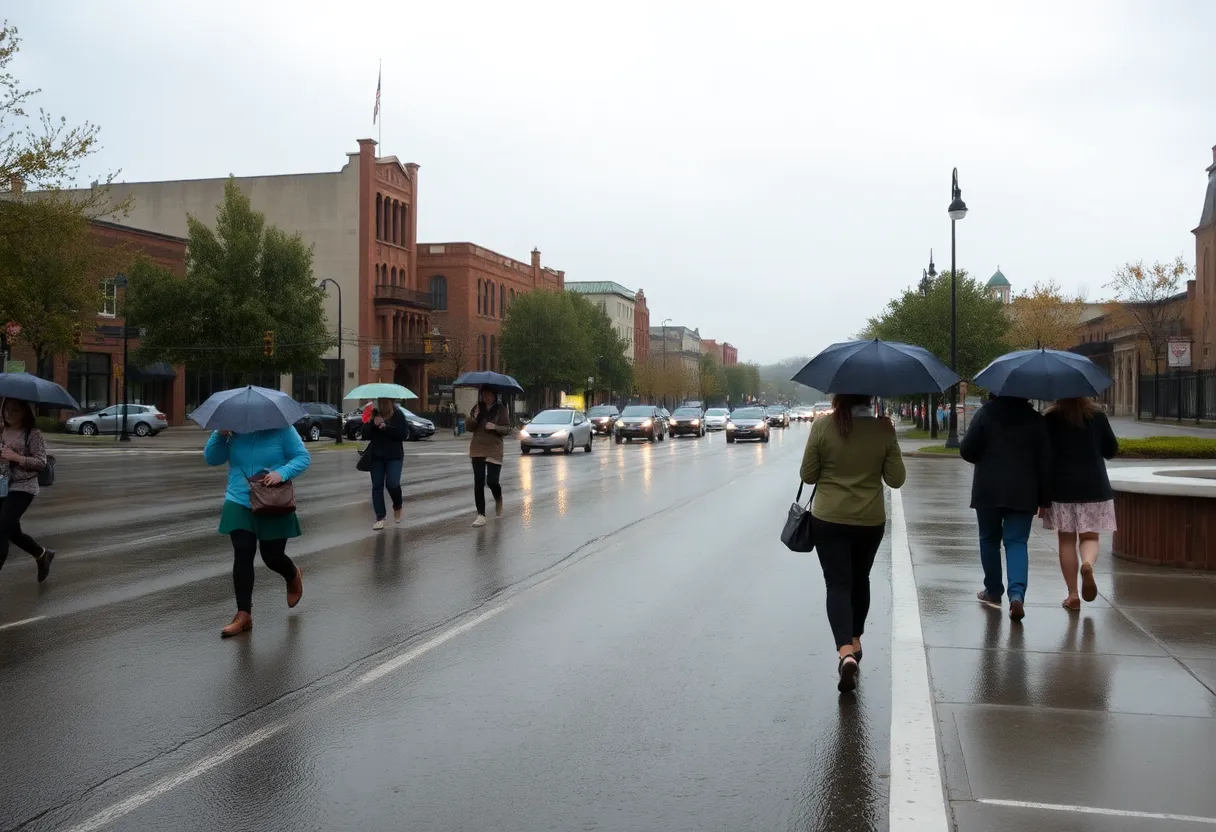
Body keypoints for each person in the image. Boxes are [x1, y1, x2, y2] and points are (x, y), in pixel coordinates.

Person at [800, 393, 905, 692]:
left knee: (837, 584)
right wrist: (889, 438)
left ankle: (845, 651)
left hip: (829, 519)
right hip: (869, 520)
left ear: (837, 397)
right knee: (861, 579)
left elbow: (808, 475)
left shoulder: (822, 427)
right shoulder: (883, 429)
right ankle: (856, 638)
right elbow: (896, 479)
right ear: (870, 397)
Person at [204, 424, 311, 638]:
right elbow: (212, 458)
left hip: (272, 499)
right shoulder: (233, 432)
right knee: (243, 551)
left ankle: (292, 574)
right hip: (239, 499)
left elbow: (302, 457)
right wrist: (220, 434)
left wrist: (281, 473)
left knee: (272, 557)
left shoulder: (282, 429)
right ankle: (243, 615)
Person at [959, 395, 1052, 621]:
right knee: (1017, 542)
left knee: (989, 540)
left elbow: (967, 451)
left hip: (988, 489)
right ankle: (1017, 595)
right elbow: (1046, 462)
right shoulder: (1036, 420)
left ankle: (992, 591)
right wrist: (1045, 500)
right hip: (1023, 491)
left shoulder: (985, 414)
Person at [1041, 397, 1118, 611]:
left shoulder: (1051, 418)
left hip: (1062, 488)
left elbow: (1044, 456)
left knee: (1066, 541)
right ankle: (1087, 564)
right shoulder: (1097, 416)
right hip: (1094, 486)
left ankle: (1073, 595)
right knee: (1090, 536)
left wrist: (1042, 494)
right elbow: (1111, 450)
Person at [0, 399, 53, 582]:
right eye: (5, 410)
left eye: (13, 411)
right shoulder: (1, 430)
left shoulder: (33, 434)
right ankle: (42, 554)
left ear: (24, 412)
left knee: (2, 529)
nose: (8, 414)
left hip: (23, 487)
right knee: (13, 532)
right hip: (2, 486)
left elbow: (41, 463)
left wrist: (17, 457)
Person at [361, 397, 409, 531]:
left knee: (393, 483)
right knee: (377, 486)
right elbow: (365, 434)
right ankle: (380, 517)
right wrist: (371, 423)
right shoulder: (374, 414)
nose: (383, 405)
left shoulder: (398, 415)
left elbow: (404, 434)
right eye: (381, 402)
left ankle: (397, 504)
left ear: (391, 402)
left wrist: (386, 427)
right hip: (376, 456)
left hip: (394, 456)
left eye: (386, 402)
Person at [468, 386, 512, 527]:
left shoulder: (501, 409)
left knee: (492, 481)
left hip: (494, 448)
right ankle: (481, 515)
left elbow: (507, 429)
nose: (487, 398)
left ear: (494, 396)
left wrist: (495, 427)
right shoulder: (477, 408)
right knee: (479, 483)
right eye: (485, 395)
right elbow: (469, 427)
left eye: (490, 395)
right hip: (478, 448)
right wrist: (474, 417)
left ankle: (498, 498)